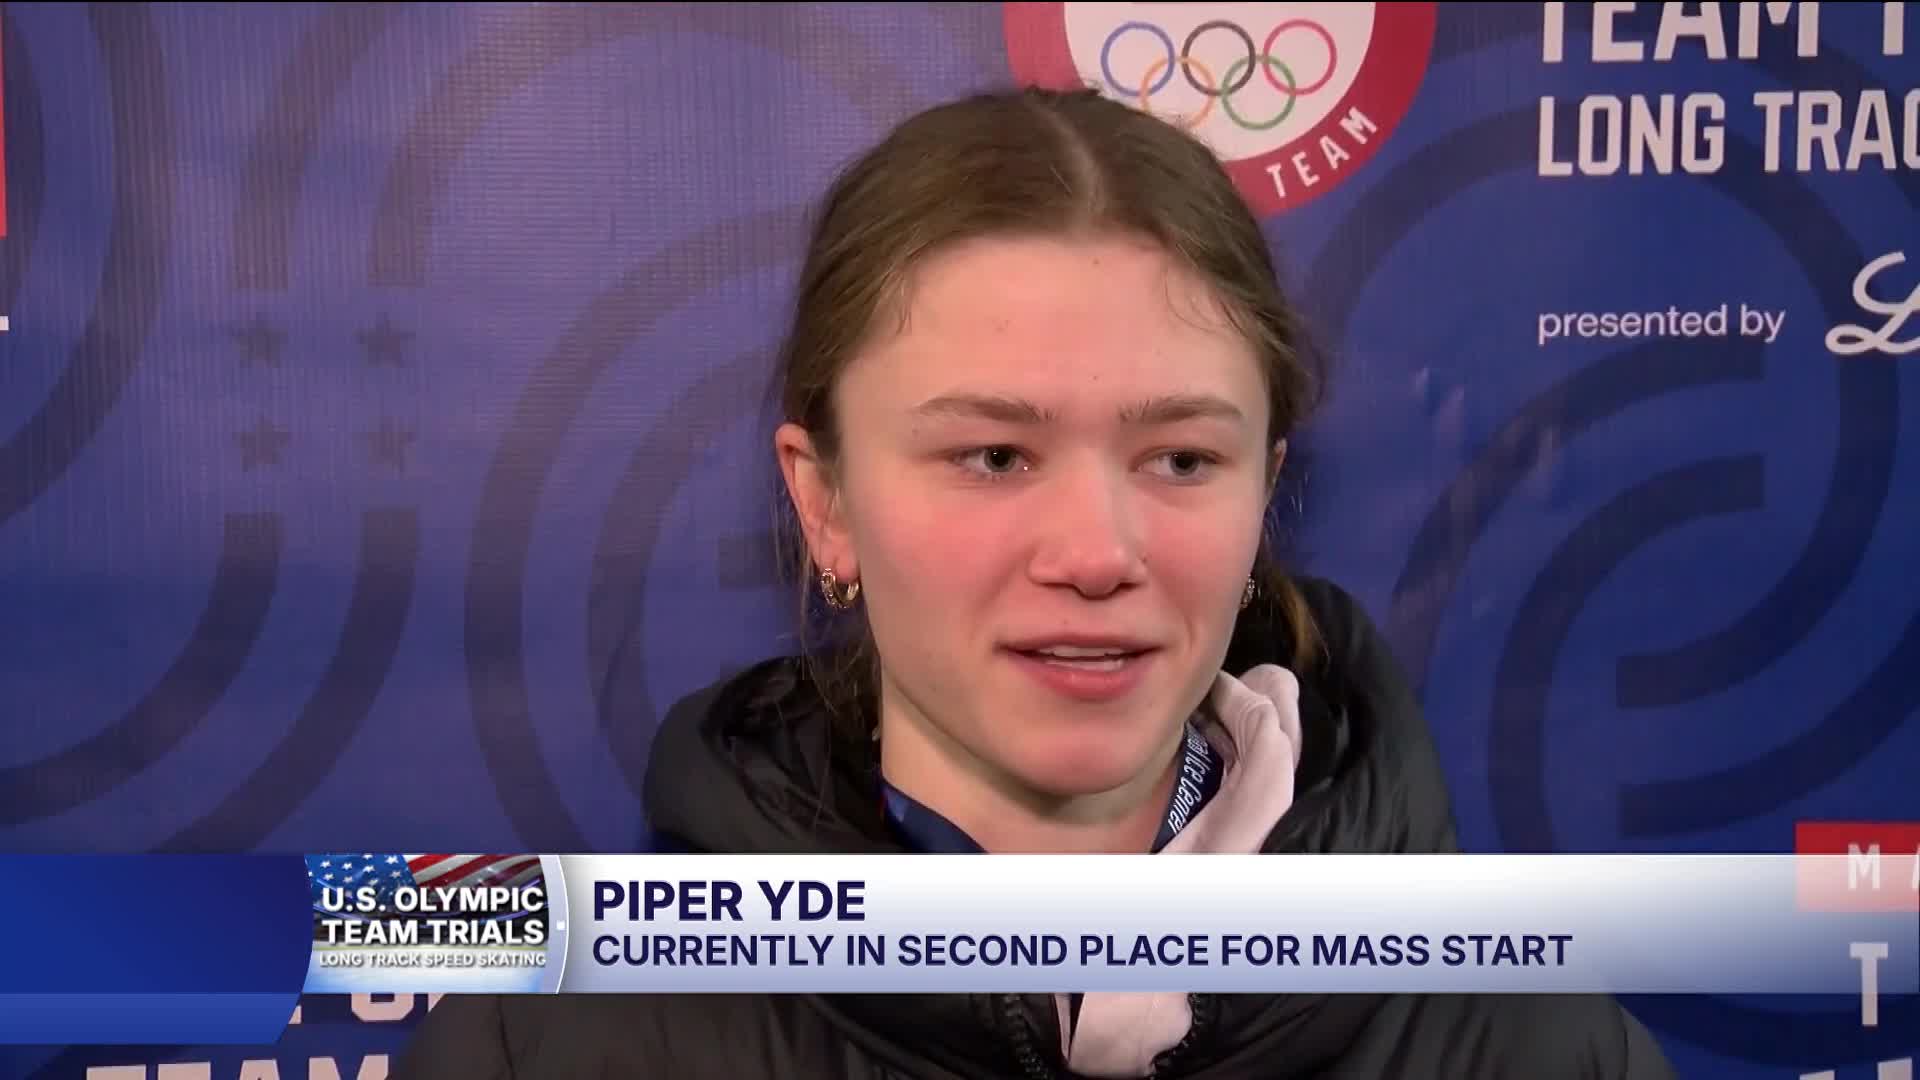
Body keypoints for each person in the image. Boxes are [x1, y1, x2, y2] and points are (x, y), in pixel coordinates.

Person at [392, 86, 1675, 1079]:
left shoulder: (1539, 1046)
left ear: (1264, 491)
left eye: (1182, 458)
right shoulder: (548, 1043)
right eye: (993, 456)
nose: (1096, 554)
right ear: (825, 501)